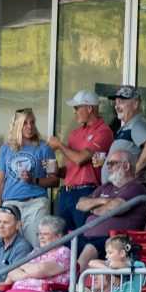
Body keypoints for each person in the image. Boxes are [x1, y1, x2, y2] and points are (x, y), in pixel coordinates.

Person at [48, 91, 114, 228]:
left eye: (77, 108)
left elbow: (80, 159)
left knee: (84, 236)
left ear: (89, 108)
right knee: (63, 239)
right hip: (66, 192)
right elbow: (73, 168)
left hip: (87, 192)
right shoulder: (74, 133)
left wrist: (60, 145)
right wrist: (58, 171)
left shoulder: (103, 132)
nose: (74, 112)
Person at [74, 150, 146, 269]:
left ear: (126, 165)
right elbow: (80, 204)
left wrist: (94, 208)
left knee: (90, 249)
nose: (108, 166)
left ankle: (73, 285)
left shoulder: (136, 187)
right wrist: (104, 201)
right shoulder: (106, 187)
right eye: (107, 163)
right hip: (87, 236)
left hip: (115, 242)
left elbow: (117, 208)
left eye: (112, 163)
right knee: (61, 247)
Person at [0, 109, 58, 244]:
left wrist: (33, 179)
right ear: (17, 125)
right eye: (25, 123)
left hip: (35, 203)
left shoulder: (45, 148)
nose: (30, 126)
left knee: (35, 246)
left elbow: (55, 180)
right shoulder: (5, 149)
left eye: (32, 122)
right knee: (8, 246)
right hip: (10, 203)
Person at [108, 84, 146, 177]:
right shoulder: (128, 126)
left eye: (121, 102)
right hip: (117, 188)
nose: (116, 106)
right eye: (116, 103)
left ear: (135, 104)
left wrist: (133, 172)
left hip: (126, 188)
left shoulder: (137, 124)